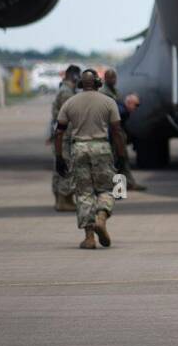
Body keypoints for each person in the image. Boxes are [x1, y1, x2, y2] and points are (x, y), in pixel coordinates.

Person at [54, 68, 128, 249]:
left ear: (80, 84)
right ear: (97, 83)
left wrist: (59, 157)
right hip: (102, 147)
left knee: (84, 193)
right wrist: (121, 155)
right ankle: (101, 218)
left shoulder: (70, 102)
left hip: (78, 148)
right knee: (108, 189)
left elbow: (59, 132)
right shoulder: (108, 102)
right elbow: (117, 131)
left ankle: (89, 238)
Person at [101, 68, 146, 191]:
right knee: (115, 160)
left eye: (114, 78)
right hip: (111, 134)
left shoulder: (114, 92)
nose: (113, 80)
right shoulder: (104, 93)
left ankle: (126, 184)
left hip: (117, 134)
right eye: (110, 78)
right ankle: (116, 188)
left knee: (122, 160)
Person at [48, 65, 81, 211]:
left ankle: (60, 200)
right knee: (66, 167)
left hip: (61, 134)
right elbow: (69, 115)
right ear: (74, 76)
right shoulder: (67, 93)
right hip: (66, 135)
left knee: (60, 166)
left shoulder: (64, 90)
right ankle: (64, 201)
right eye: (78, 76)